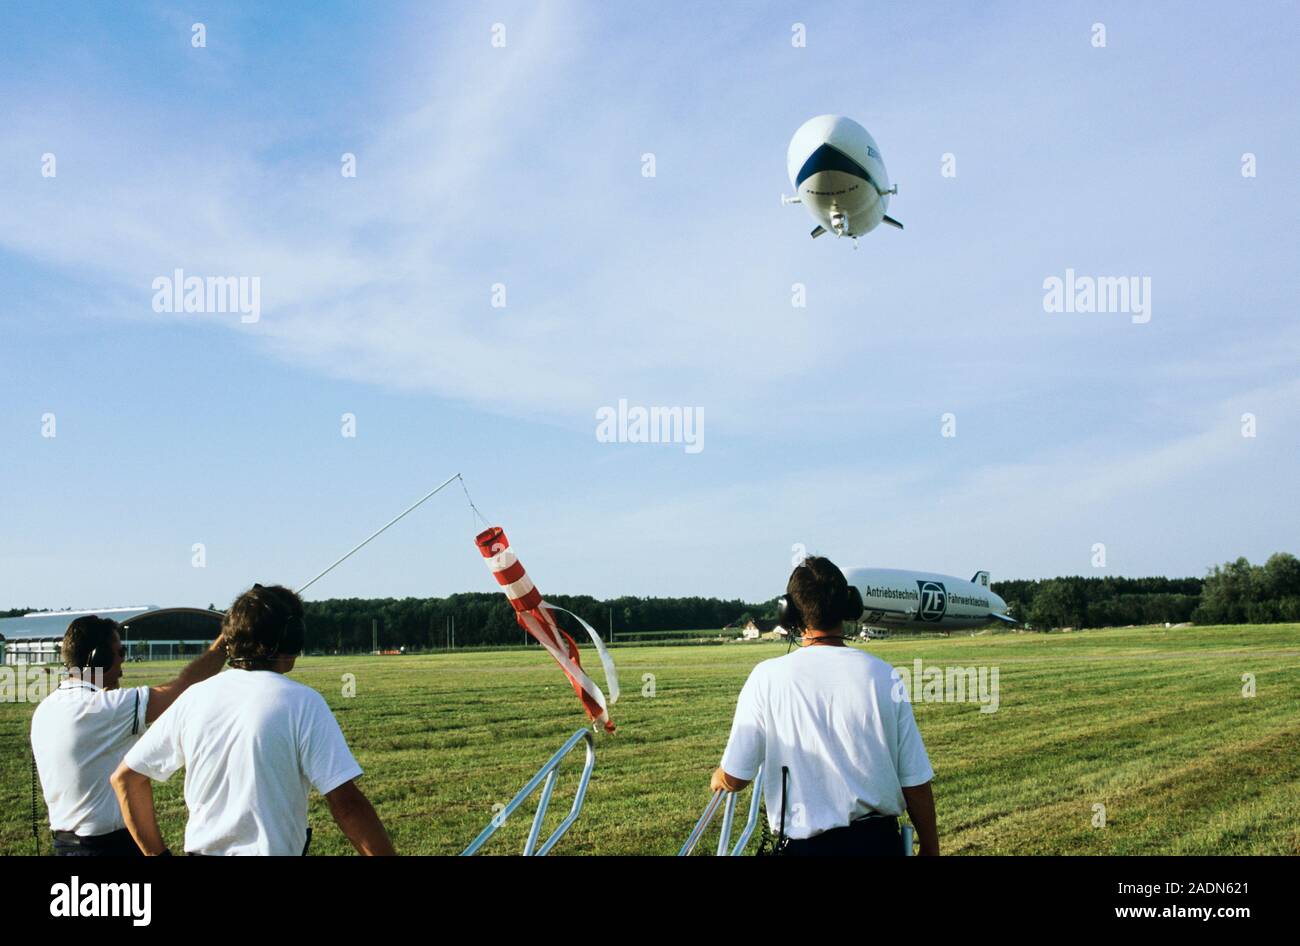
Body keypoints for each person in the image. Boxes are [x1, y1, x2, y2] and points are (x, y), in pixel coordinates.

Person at [112, 583, 395, 855]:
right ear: (292, 638)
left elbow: (126, 778)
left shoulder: (193, 698)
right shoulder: (302, 702)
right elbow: (346, 805)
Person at [709, 556, 940, 856]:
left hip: (806, 848)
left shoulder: (766, 678)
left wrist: (719, 777)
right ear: (849, 606)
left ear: (787, 612)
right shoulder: (884, 675)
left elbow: (736, 776)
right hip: (879, 844)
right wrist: (931, 847)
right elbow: (915, 781)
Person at [30, 614, 226, 856]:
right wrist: (225, 642)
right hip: (107, 847)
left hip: (65, 845)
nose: (124, 661)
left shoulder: (45, 708)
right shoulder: (102, 708)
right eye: (120, 652)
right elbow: (184, 686)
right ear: (99, 657)